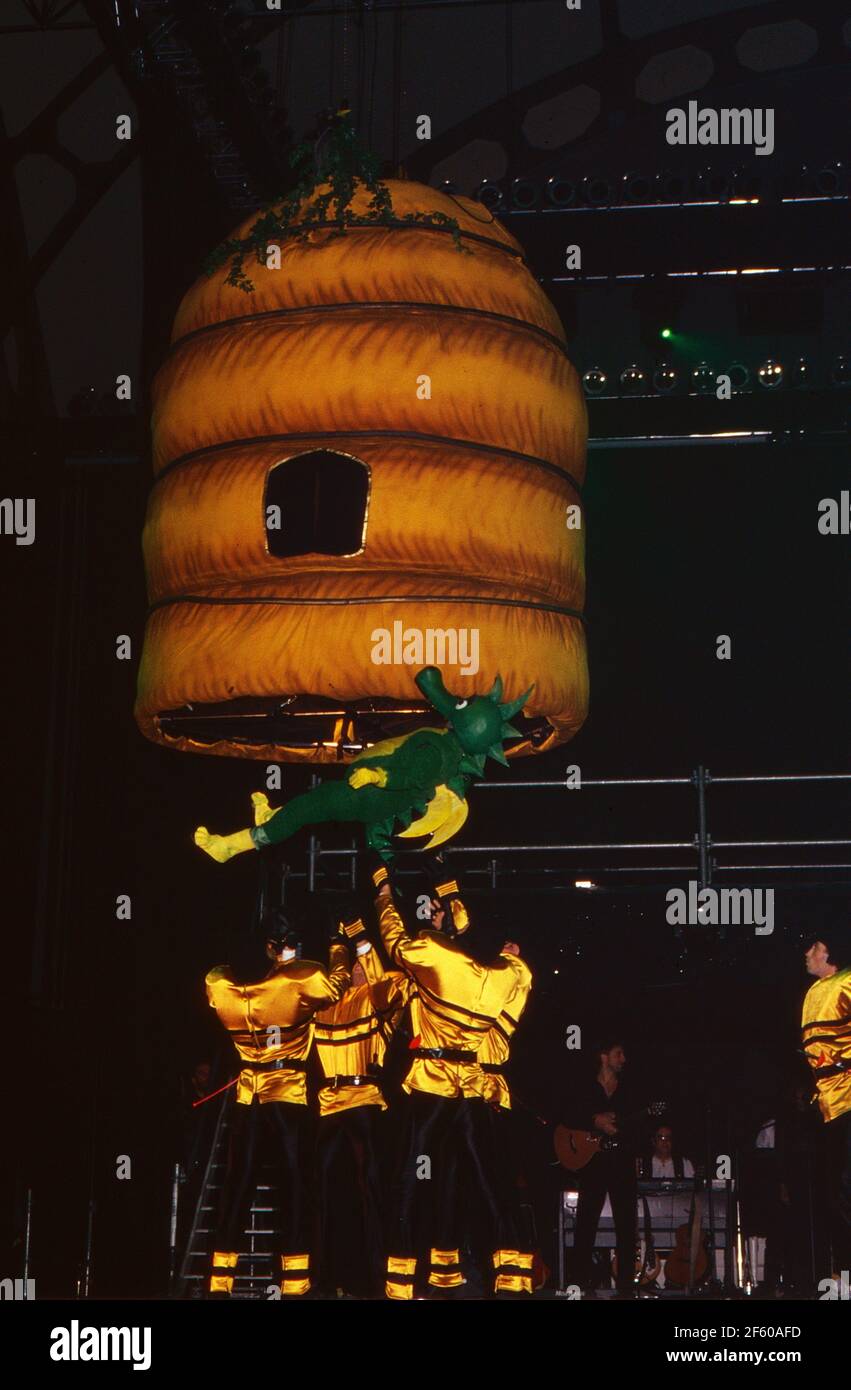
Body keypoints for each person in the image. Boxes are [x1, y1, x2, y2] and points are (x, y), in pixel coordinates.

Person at [372, 858, 534, 1298]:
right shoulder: (509, 973)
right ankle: (512, 1280)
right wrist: (448, 886)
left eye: (445, 911)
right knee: (488, 1182)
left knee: (409, 1180)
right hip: (475, 1087)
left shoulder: (439, 953)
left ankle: (399, 1286)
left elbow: (397, 945)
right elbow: (487, 945)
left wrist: (385, 895)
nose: (437, 915)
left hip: (432, 1081)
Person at [204, 910, 349, 1298]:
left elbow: (222, 979)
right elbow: (335, 986)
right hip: (287, 1090)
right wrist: (338, 947)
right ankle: (295, 1284)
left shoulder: (221, 985)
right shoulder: (300, 977)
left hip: (248, 1092)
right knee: (295, 1188)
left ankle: (220, 1285)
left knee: (236, 1188)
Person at [313, 911, 407, 1297]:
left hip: (365, 1100)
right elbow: (331, 978)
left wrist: (358, 937)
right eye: (353, 967)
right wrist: (336, 941)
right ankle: (322, 1279)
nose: (356, 971)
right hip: (327, 1103)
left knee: (369, 1192)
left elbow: (384, 980)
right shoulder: (328, 1005)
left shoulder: (379, 997)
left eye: (361, 967)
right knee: (321, 1191)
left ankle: (375, 1281)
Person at [566, 1037, 638, 1297]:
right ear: (604, 1057)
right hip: (593, 1163)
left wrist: (621, 1128)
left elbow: (639, 1128)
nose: (624, 1059)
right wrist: (595, 1121)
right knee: (586, 1223)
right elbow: (566, 1116)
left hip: (621, 1163)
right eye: (619, 1054)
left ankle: (626, 1287)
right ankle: (580, 1282)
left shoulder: (629, 1090)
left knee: (627, 1226)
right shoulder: (584, 1088)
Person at [801, 928, 851, 1276]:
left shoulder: (848, 983)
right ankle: (844, 1270)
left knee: (845, 1188)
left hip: (849, 1098)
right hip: (828, 1105)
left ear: (829, 955)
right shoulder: (814, 991)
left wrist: (840, 1064)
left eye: (814, 948)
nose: (807, 953)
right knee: (832, 1192)